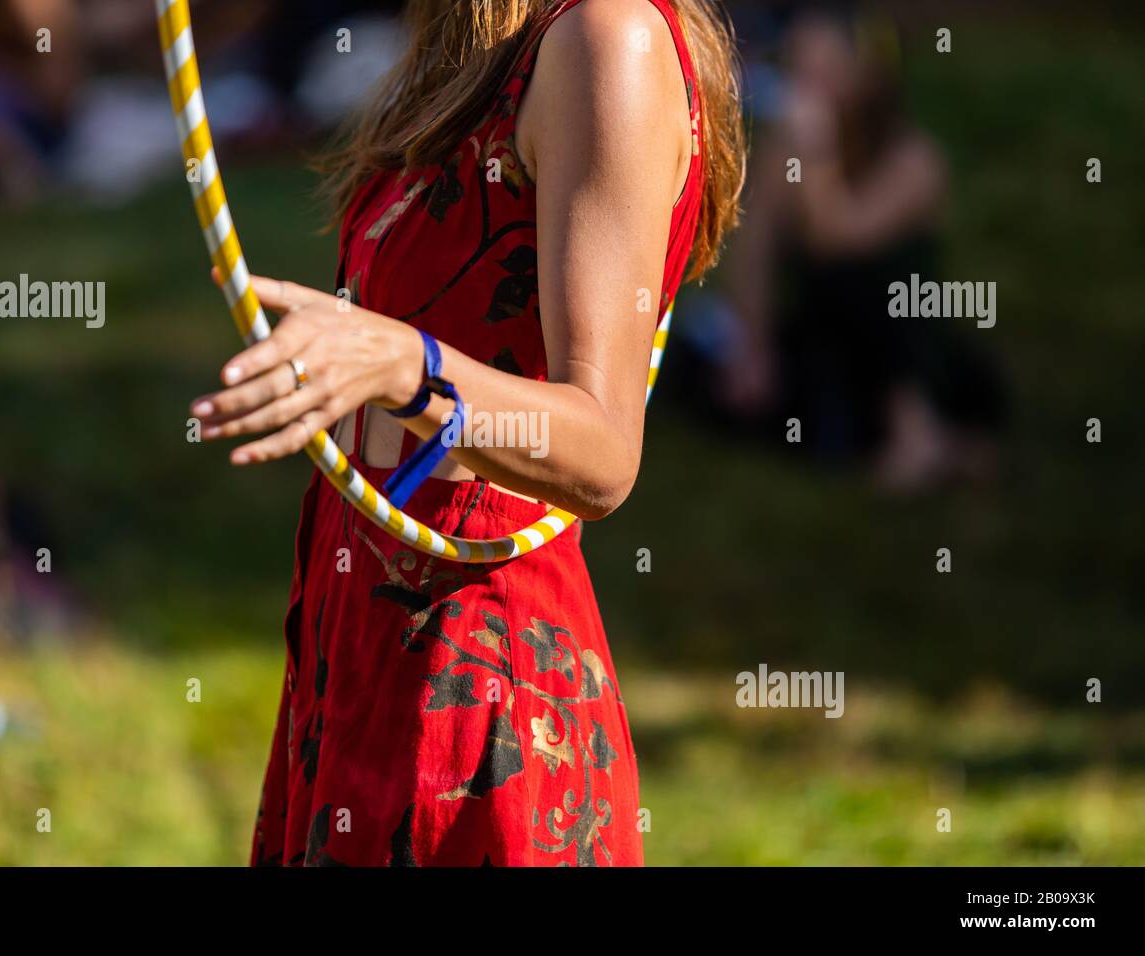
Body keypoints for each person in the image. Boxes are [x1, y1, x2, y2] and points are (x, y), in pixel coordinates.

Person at [188, 0, 743, 865]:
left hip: (477, 684)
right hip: (361, 649)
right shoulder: (475, 44)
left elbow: (603, 449)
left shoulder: (608, 40)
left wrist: (407, 367)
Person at [719, 9, 1004, 489]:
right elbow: (754, 253)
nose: (810, 89)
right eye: (800, 73)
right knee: (712, 377)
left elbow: (837, 239)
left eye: (824, 73)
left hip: (904, 347)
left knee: (871, 284)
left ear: (864, 74)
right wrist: (753, 346)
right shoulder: (789, 152)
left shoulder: (915, 161)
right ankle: (938, 450)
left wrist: (814, 155)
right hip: (829, 339)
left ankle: (918, 430)